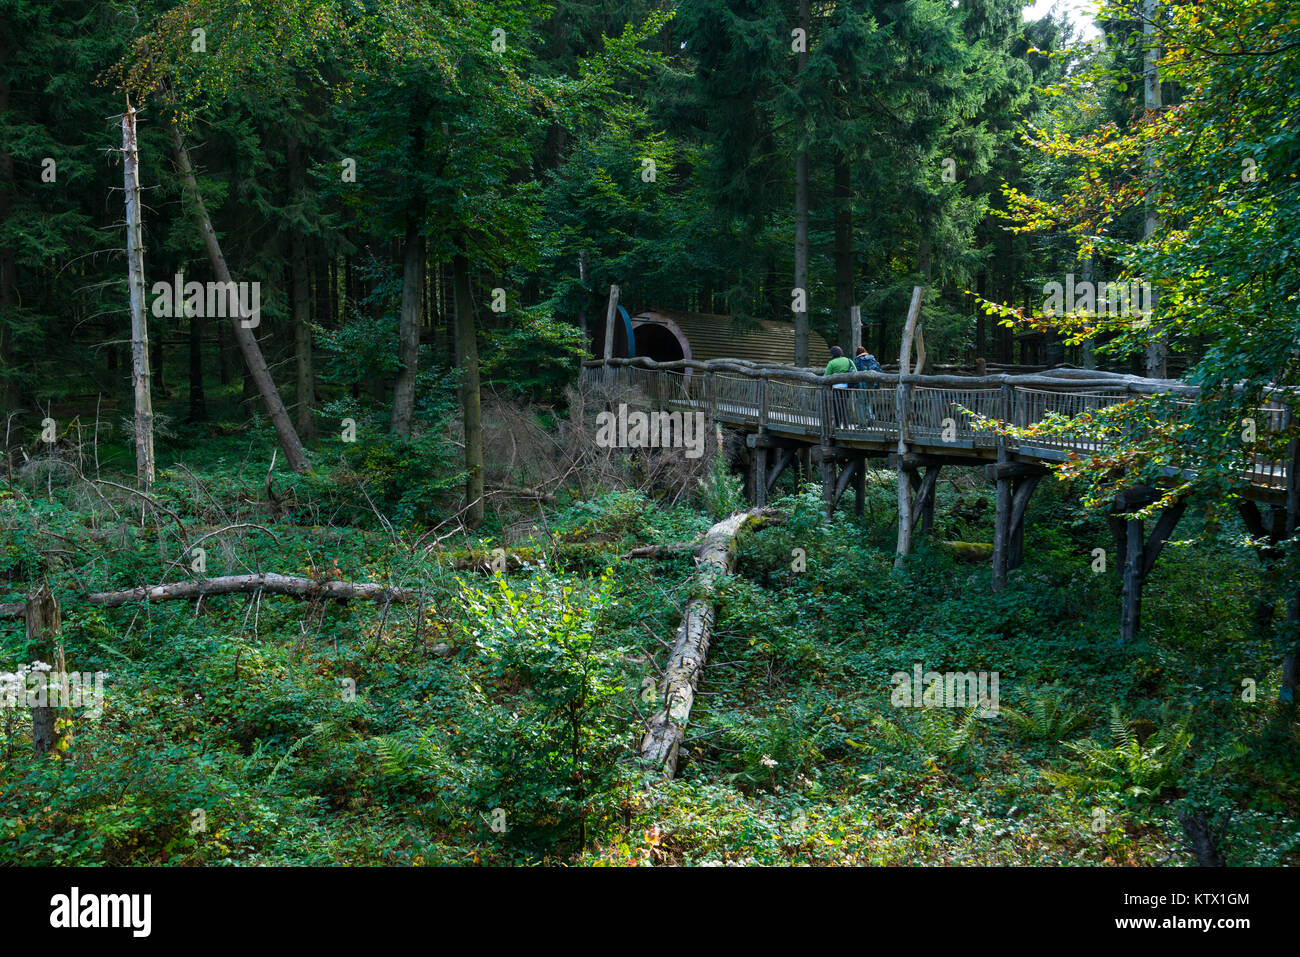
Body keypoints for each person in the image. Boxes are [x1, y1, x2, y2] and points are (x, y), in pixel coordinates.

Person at [825, 346, 854, 429]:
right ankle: (846, 425)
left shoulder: (832, 363)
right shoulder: (849, 360)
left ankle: (837, 425)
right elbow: (855, 371)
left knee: (836, 406)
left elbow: (826, 376)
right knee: (844, 405)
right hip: (847, 388)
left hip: (836, 388)